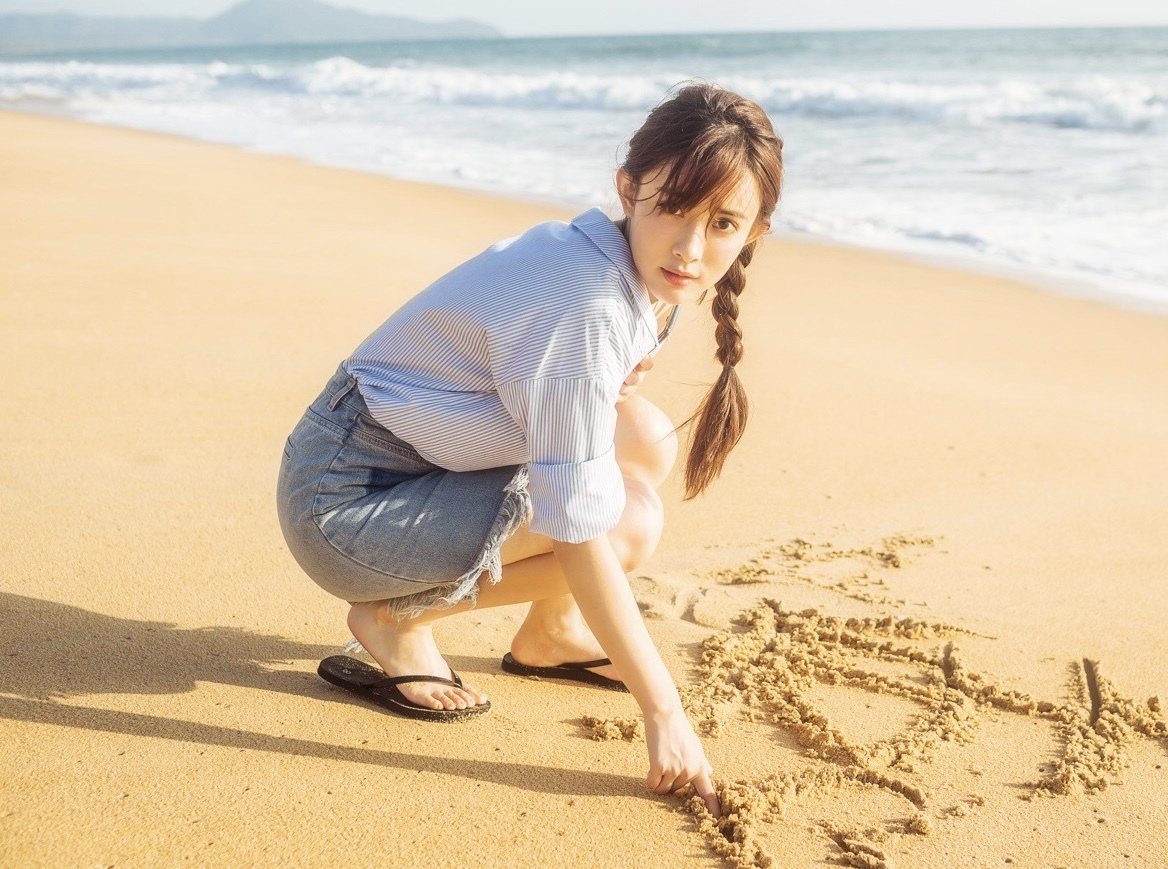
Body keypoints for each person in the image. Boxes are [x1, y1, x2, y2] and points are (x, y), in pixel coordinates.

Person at [276, 83, 783, 817]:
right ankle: (393, 618)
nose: (690, 246)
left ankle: (551, 632)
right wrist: (663, 709)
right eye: (672, 206)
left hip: (408, 464)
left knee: (639, 441)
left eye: (723, 222)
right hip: (345, 503)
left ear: (754, 231)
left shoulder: (633, 270)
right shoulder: (587, 299)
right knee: (627, 521)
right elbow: (576, 525)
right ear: (628, 188)